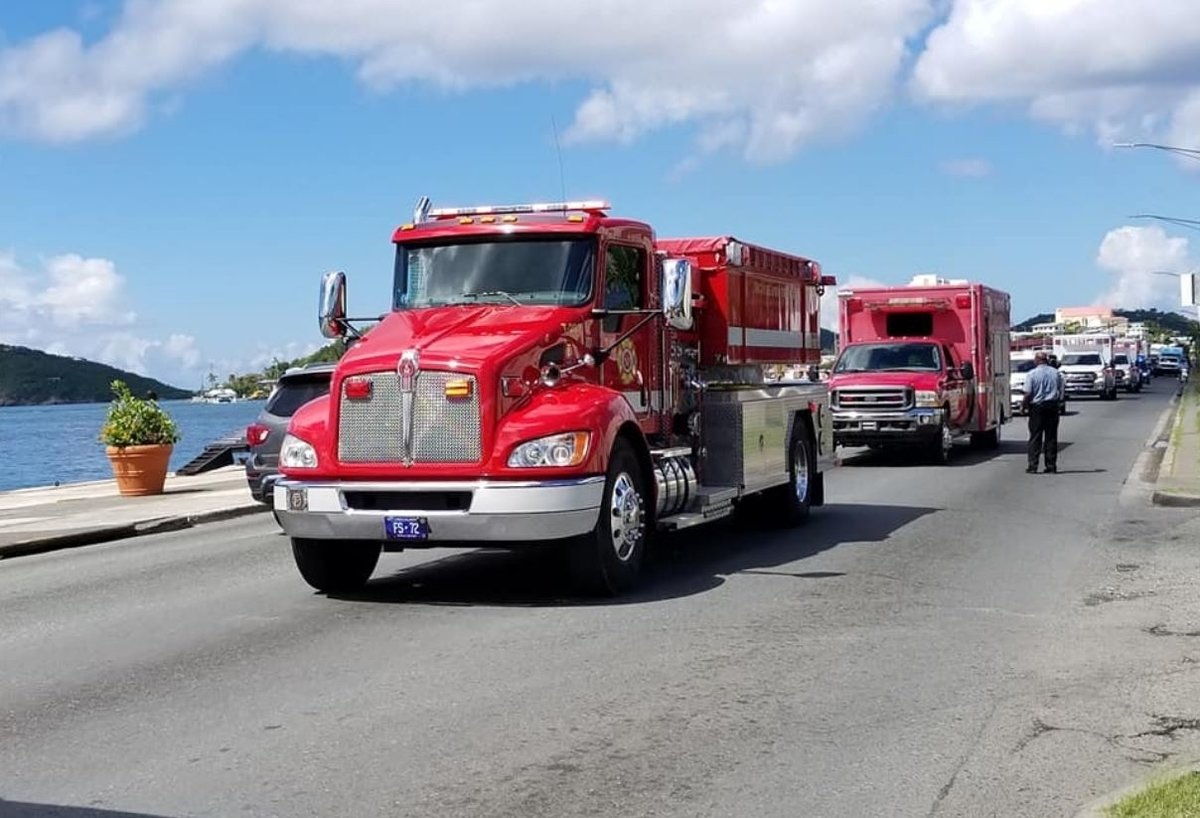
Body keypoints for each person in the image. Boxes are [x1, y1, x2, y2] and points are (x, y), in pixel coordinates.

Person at [1022, 351, 1061, 474]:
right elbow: (1061, 391)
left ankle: (1033, 466)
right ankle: (1051, 466)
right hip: (1052, 406)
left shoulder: (1032, 374)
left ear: (1037, 360)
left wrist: (1024, 406)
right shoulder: (1056, 373)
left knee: (1035, 437)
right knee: (1051, 437)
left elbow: (1028, 393)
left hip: (1037, 407)